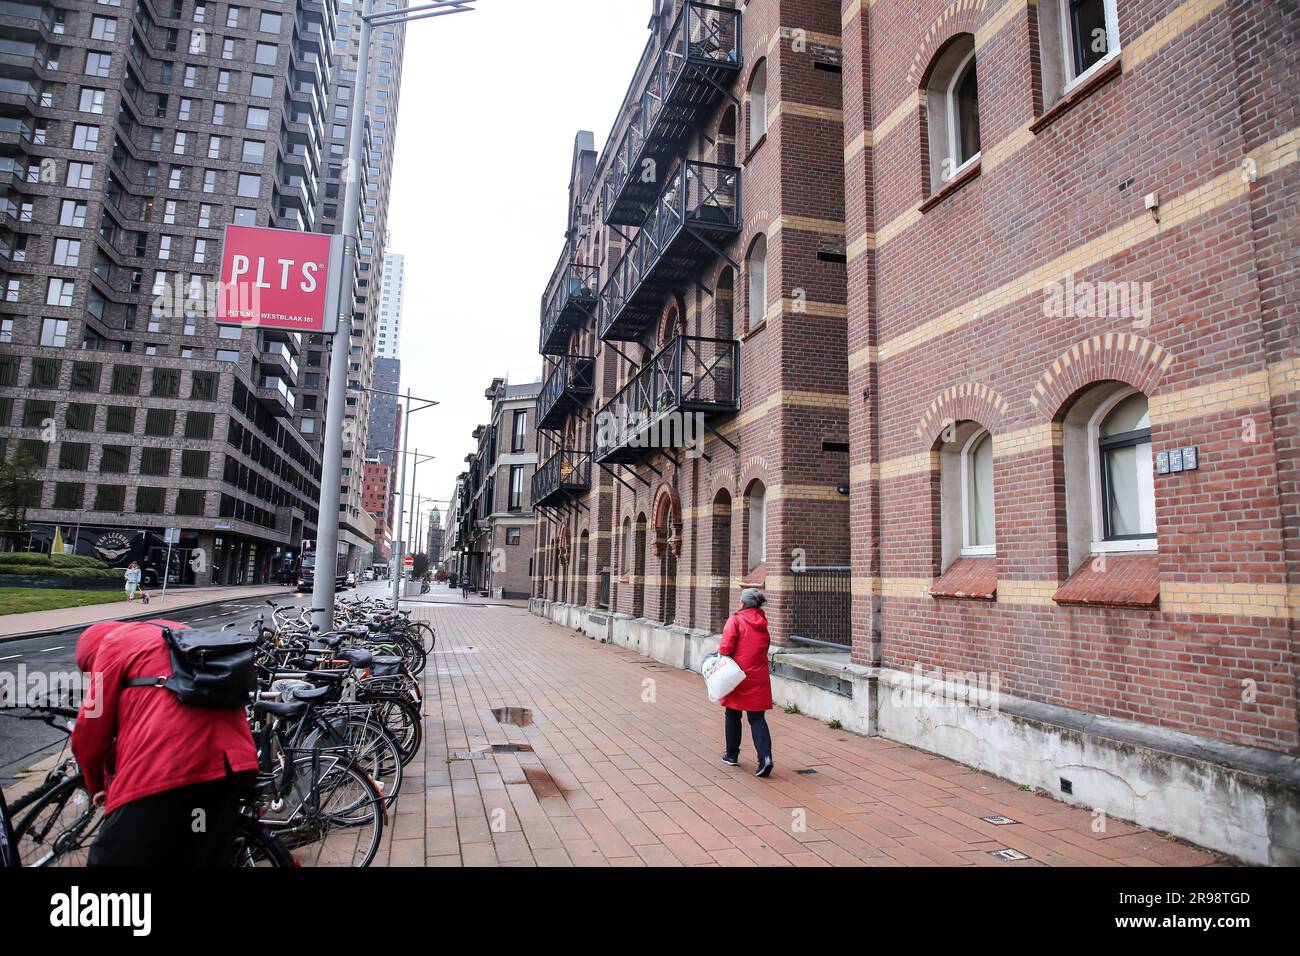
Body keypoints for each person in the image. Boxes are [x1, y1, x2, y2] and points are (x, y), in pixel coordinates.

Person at [71, 619, 260, 866]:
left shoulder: (114, 644)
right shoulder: (180, 631)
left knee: (113, 857)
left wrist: (97, 784)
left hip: (164, 770)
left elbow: (90, 732)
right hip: (228, 769)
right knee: (197, 848)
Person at [718, 588, 774, 777]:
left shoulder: (736, 620)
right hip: (758, 676)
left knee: (732, 714)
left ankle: (732, 755)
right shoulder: (762, 622)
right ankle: (765, 757)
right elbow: (764, 646)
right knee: (757, 717)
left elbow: (725, 648)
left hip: (737, 676)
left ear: (743, 603)